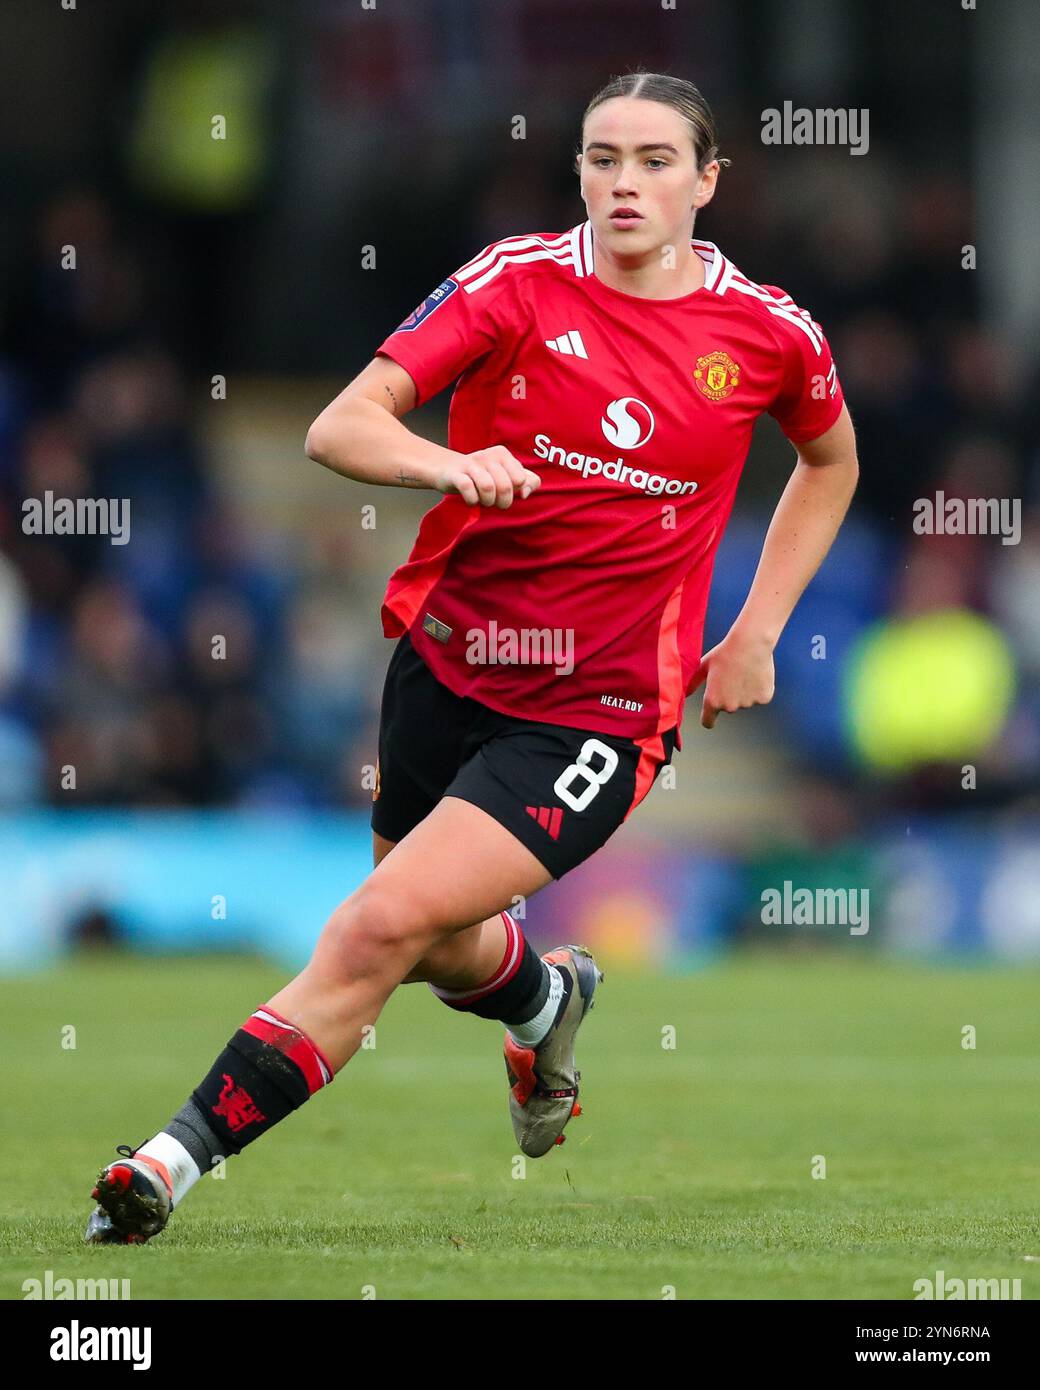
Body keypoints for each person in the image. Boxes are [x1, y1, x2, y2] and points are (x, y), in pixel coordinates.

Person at [85, 71, 858, 1244]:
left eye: (654, 160)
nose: (622, 183)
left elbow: (828, 460)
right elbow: (338, 423)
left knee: (369, 927)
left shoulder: (765, 333)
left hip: (595, 714)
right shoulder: (512, 284)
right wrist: (440, 465)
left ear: (707, 181)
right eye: (601, 158)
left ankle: (163, 1164)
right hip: (446, 664)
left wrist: (753, 627)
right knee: (442, 945)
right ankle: (547, 999)